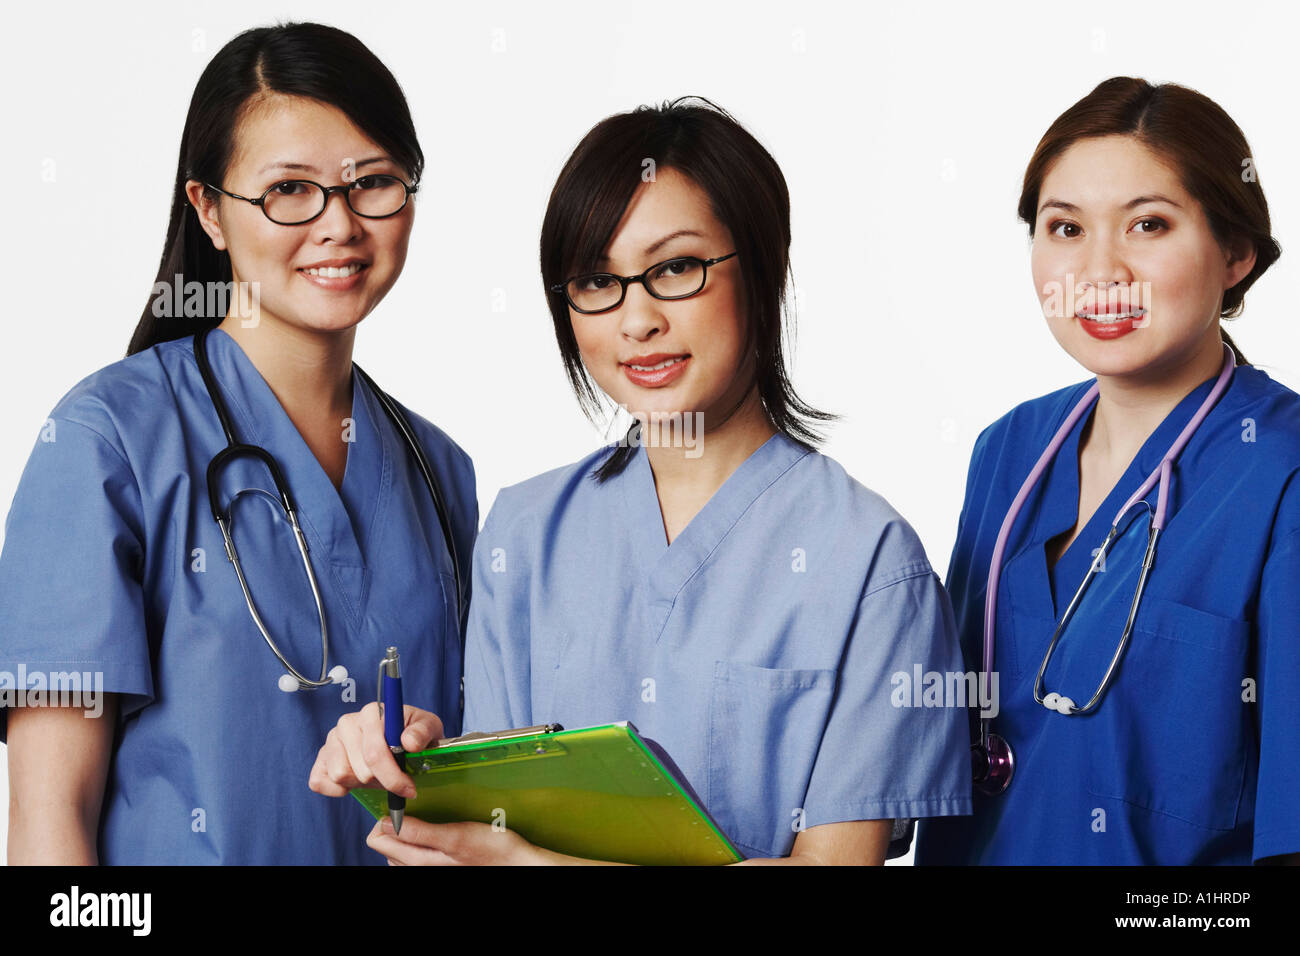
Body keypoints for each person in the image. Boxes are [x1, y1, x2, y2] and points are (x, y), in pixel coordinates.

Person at [310, 97, 972, 865]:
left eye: (677, 268)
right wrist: (411, 758)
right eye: (597, 281)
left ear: (763, 267)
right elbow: (492, 821)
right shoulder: (525, 533)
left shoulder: (869, 562)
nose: (636, 320)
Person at [0, 22, 476, 864]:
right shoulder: (103, 443)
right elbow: (49, 831)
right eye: (290, 190)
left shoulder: (440, 473)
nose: (339, 224)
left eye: (371, 183)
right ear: (210, 211)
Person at [915, 77, 1300, 865]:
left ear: (1236, 253)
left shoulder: (1281, 475)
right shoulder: (1009, 452)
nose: (1098, 272)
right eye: (1064, 229)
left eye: (1148, 225)